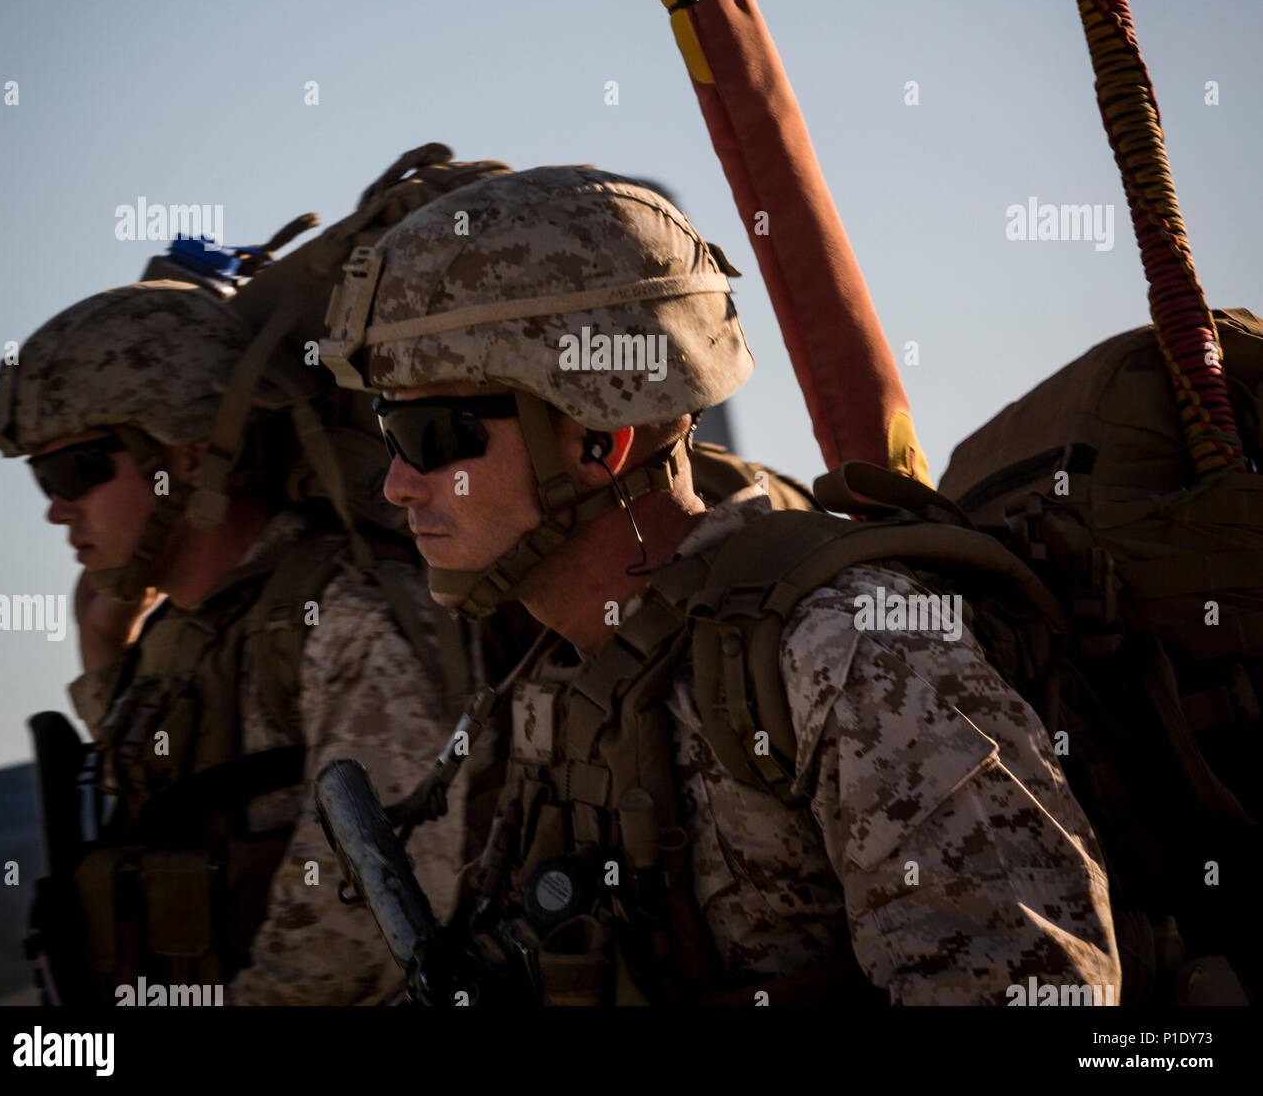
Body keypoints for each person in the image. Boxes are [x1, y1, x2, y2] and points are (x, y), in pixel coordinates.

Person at [322, 163, 1123, 1005]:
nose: (398, 485)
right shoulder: (564, 683)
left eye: (433, 434)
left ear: (602, 438)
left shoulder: (843, 653)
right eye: (389, 431)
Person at [0, 280, 465, 1005]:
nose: (56, 509)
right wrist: (103, 652)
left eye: (74, 471)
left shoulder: (344, 617)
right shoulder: (182, 639)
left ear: (186, 457)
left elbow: (365, 922)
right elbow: (169, 817)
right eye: (41, 479)